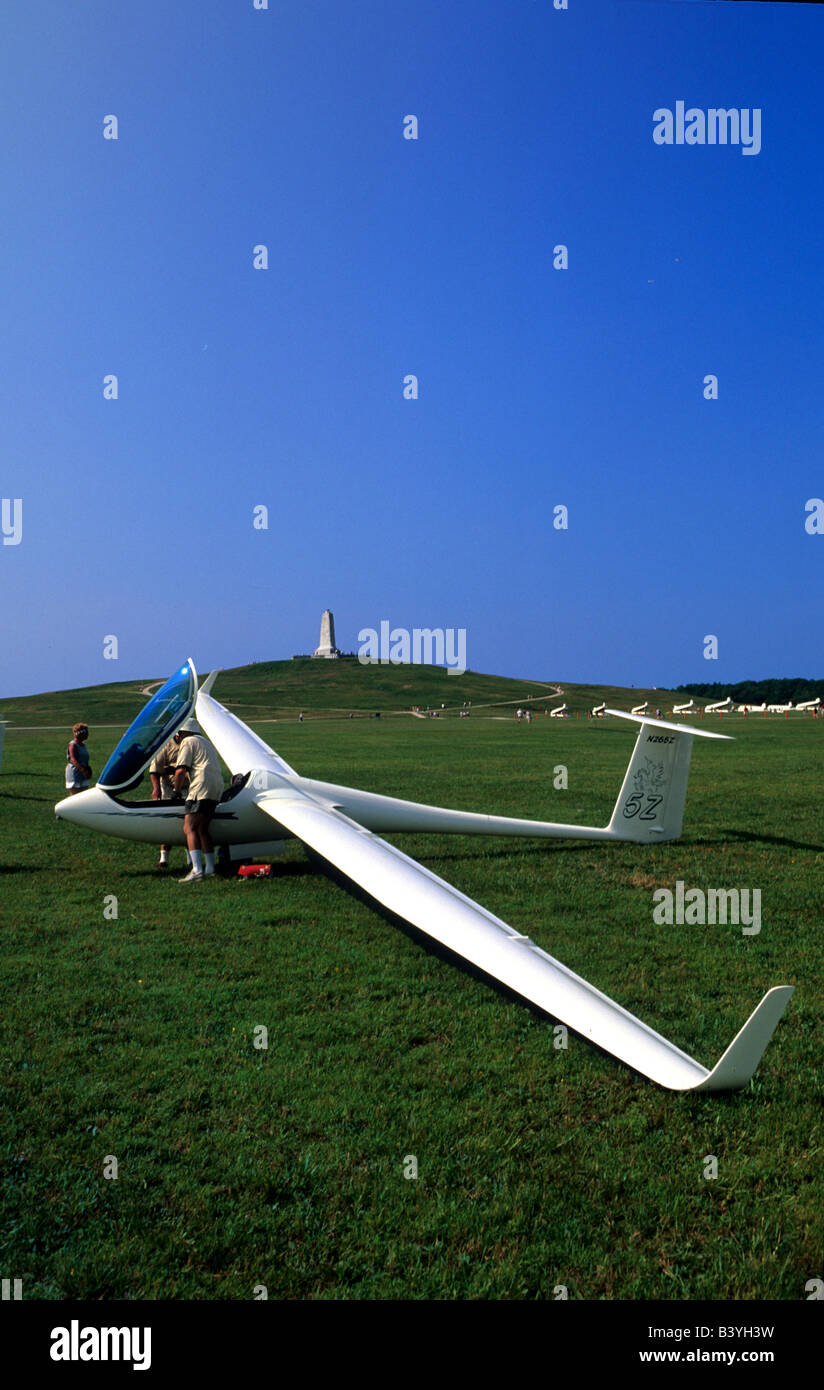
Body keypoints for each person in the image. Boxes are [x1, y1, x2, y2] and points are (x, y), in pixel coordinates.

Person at [172, 722, 224, 882]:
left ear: (183, 733)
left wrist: (176, 791)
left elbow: (181, 770)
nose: (177, 739)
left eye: (178, 735)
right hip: (216, 786)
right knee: (203, 829)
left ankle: (196, 870)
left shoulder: (188, 742)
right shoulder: (206, 742)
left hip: (201, 786)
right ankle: (210, 868)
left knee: (189, 827)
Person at [149, 736, 187, 870]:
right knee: (167, 822)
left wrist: (173, 769)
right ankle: (163, 858)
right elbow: (155, 769)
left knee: (188, 823)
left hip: (188, 787)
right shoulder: (165, 744)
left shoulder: (192, 742)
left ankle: (190, 858)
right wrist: (156, 788)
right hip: (168, 787)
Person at [65, 723, 92, 794]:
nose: (87, 734)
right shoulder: (73, 744)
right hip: (75, 773)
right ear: (79, 734)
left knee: (84, 796)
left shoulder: (83, 745)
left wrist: (87, 768)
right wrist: (83, 770)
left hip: (83, 773)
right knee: (74, 796)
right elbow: (73, 759)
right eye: (86, 733)